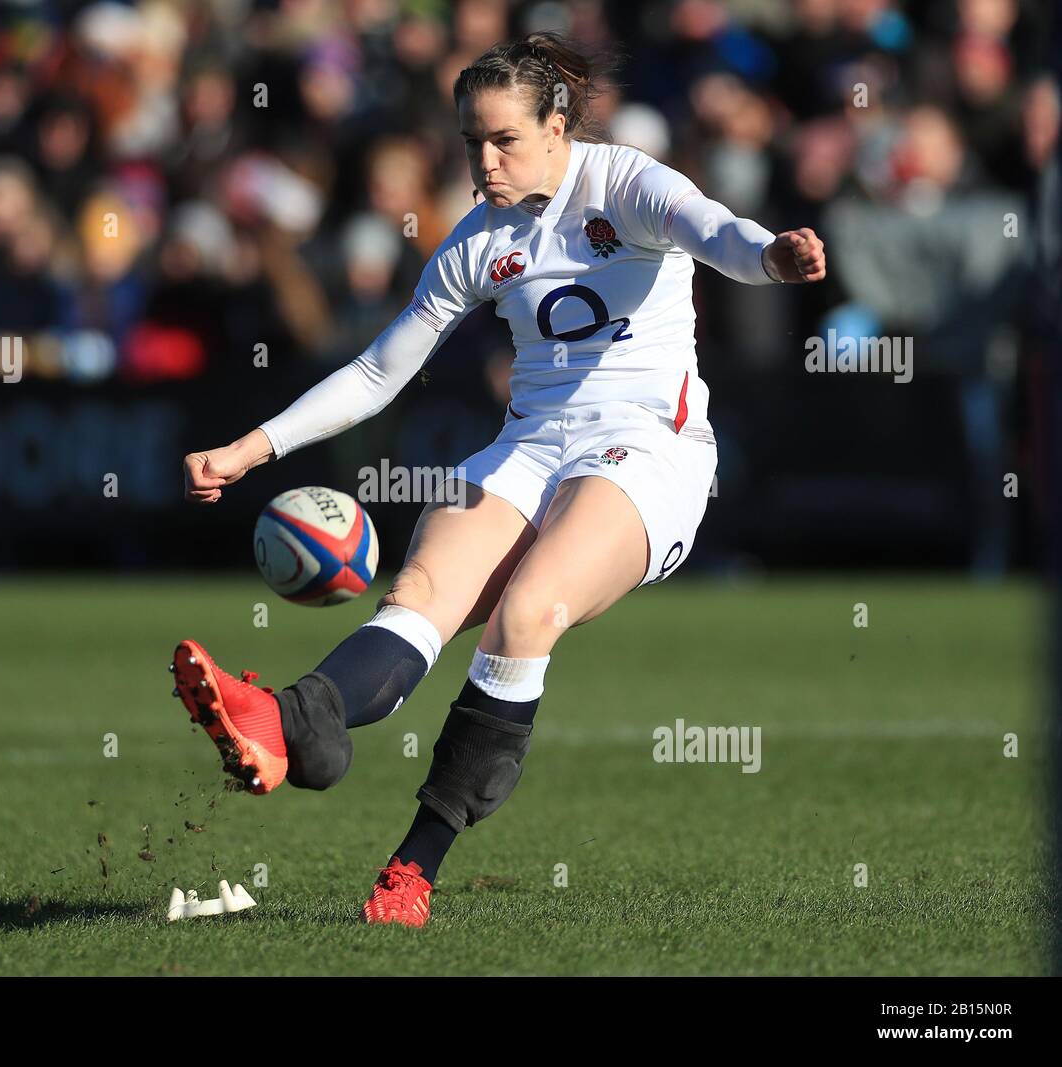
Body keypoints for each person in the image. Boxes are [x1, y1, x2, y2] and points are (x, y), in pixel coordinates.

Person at [171, 32, 826, 927]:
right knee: (421, 591)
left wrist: (772, 255)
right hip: (530, 443)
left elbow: (715, 232)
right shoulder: (479, 239)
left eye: (504, 140)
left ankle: (414, 865)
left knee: (528, 611)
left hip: (650, 448)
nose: (483, 161)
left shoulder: (626, 182)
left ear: (558, 126)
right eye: (471, 142)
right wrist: (251, 448)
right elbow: (375, 373)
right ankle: (293, 725)